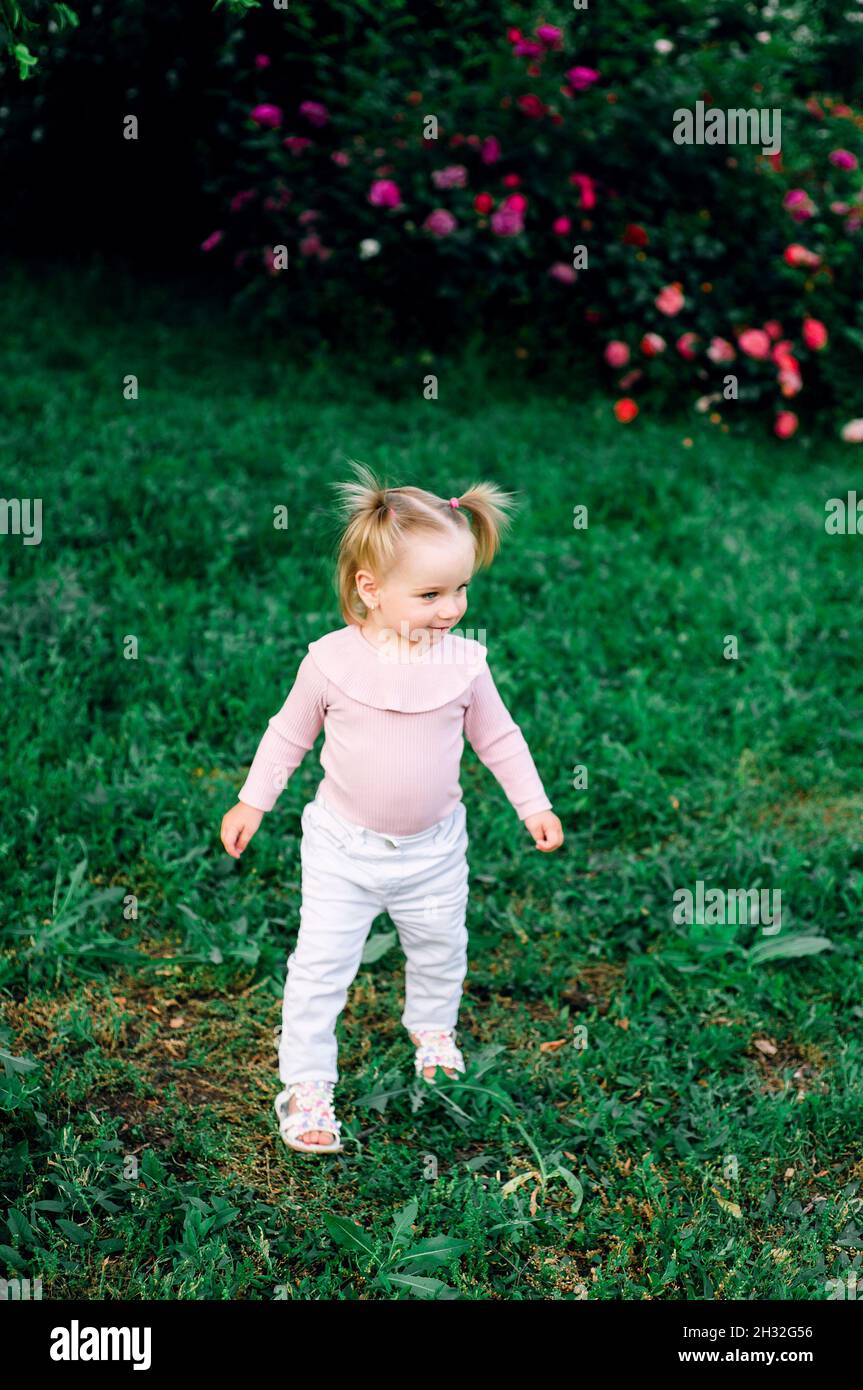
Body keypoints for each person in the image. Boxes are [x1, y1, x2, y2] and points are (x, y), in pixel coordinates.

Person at [220, 461, 564, 1154]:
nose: (451, 607)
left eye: (461, 588)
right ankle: (307, 1084)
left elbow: (497, 737)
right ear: (369, 589)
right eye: (431, 593)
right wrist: (253, 799)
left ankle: (431, 1024)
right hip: (342, 850)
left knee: (440, 946)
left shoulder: (464, 663)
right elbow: (288, 733)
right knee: (319, 967)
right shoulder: (329, 662)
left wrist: (533, 803)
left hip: (433, 849)